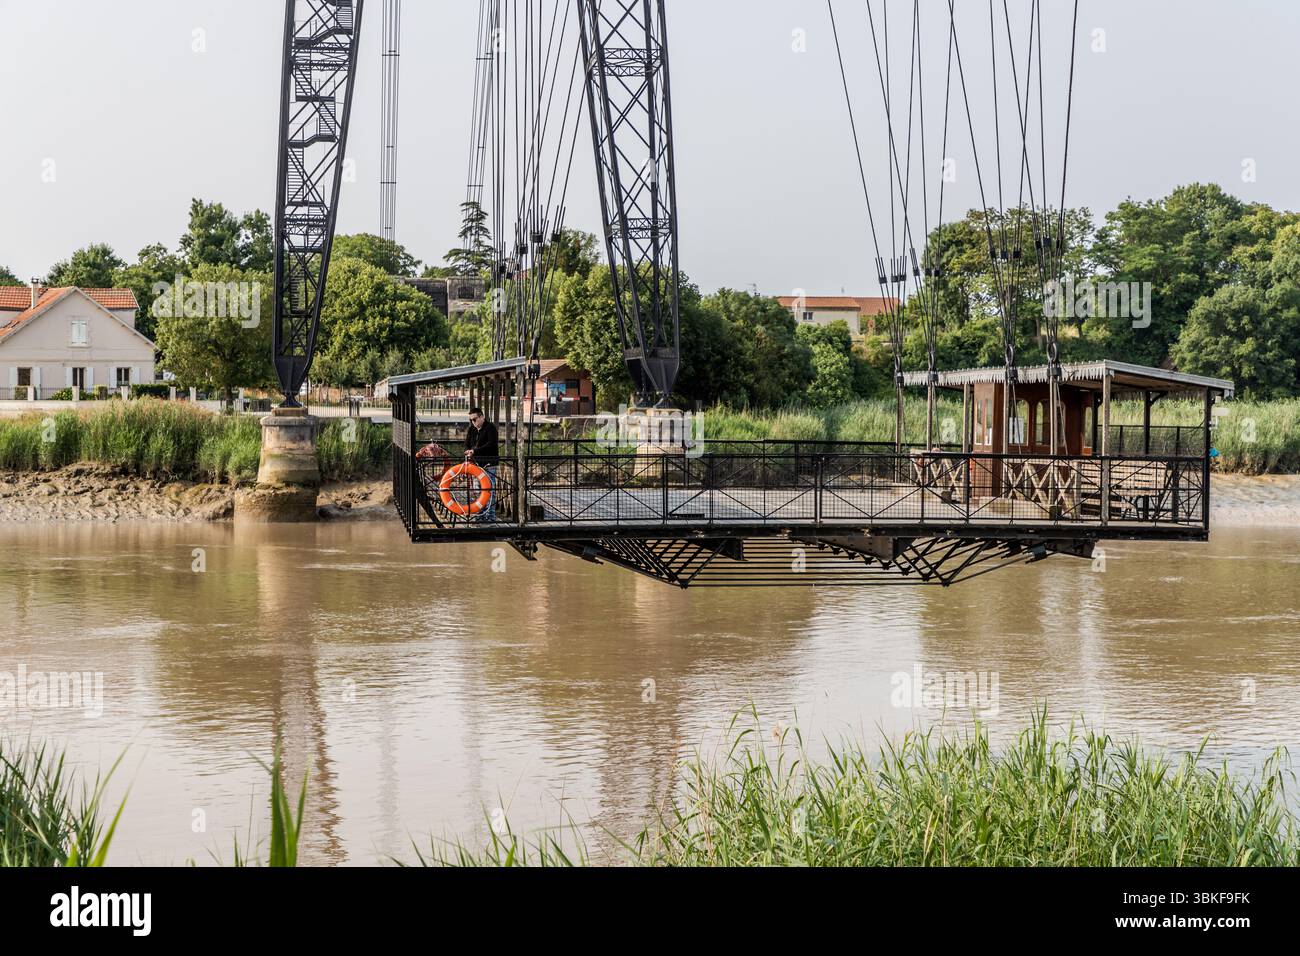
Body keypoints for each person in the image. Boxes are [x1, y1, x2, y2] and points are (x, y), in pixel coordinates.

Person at [464, 407, 500, 520]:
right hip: (477, 464)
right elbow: (467, 443)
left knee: (489, 489)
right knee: (478, 489)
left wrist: (475, 451)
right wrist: (468, 451)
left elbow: (491, 444)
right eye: (471, 420)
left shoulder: (491, 428)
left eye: (474, 419)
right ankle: (481, 513)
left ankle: (491, 515)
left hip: (489, 464)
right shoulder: (471, 429)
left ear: (482, 417)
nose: (473, 422)